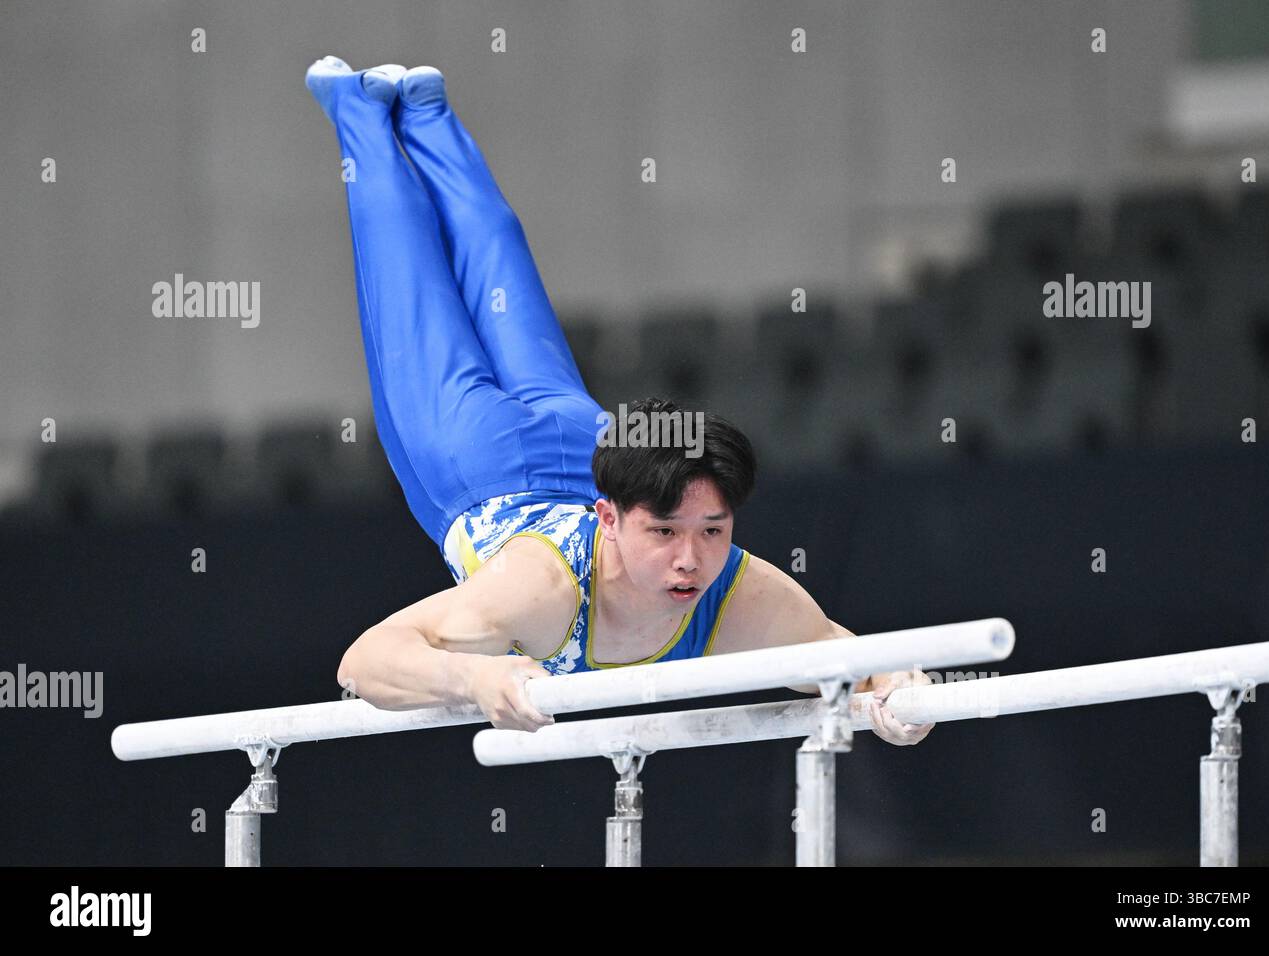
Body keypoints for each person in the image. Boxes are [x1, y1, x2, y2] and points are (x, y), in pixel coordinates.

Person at [306, 56, 933, 743]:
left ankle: (425, 113)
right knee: (410, 282)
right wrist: (476, 678)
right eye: (665, 532)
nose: (691, 559)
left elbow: (847, 659)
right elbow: (363, 662)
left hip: (588, 440)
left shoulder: (739, 594)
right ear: (607, 519)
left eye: (712, 530)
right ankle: (358, 109)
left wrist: (897, 689)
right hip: (475, 460)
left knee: (501, 264)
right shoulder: (539, 590)